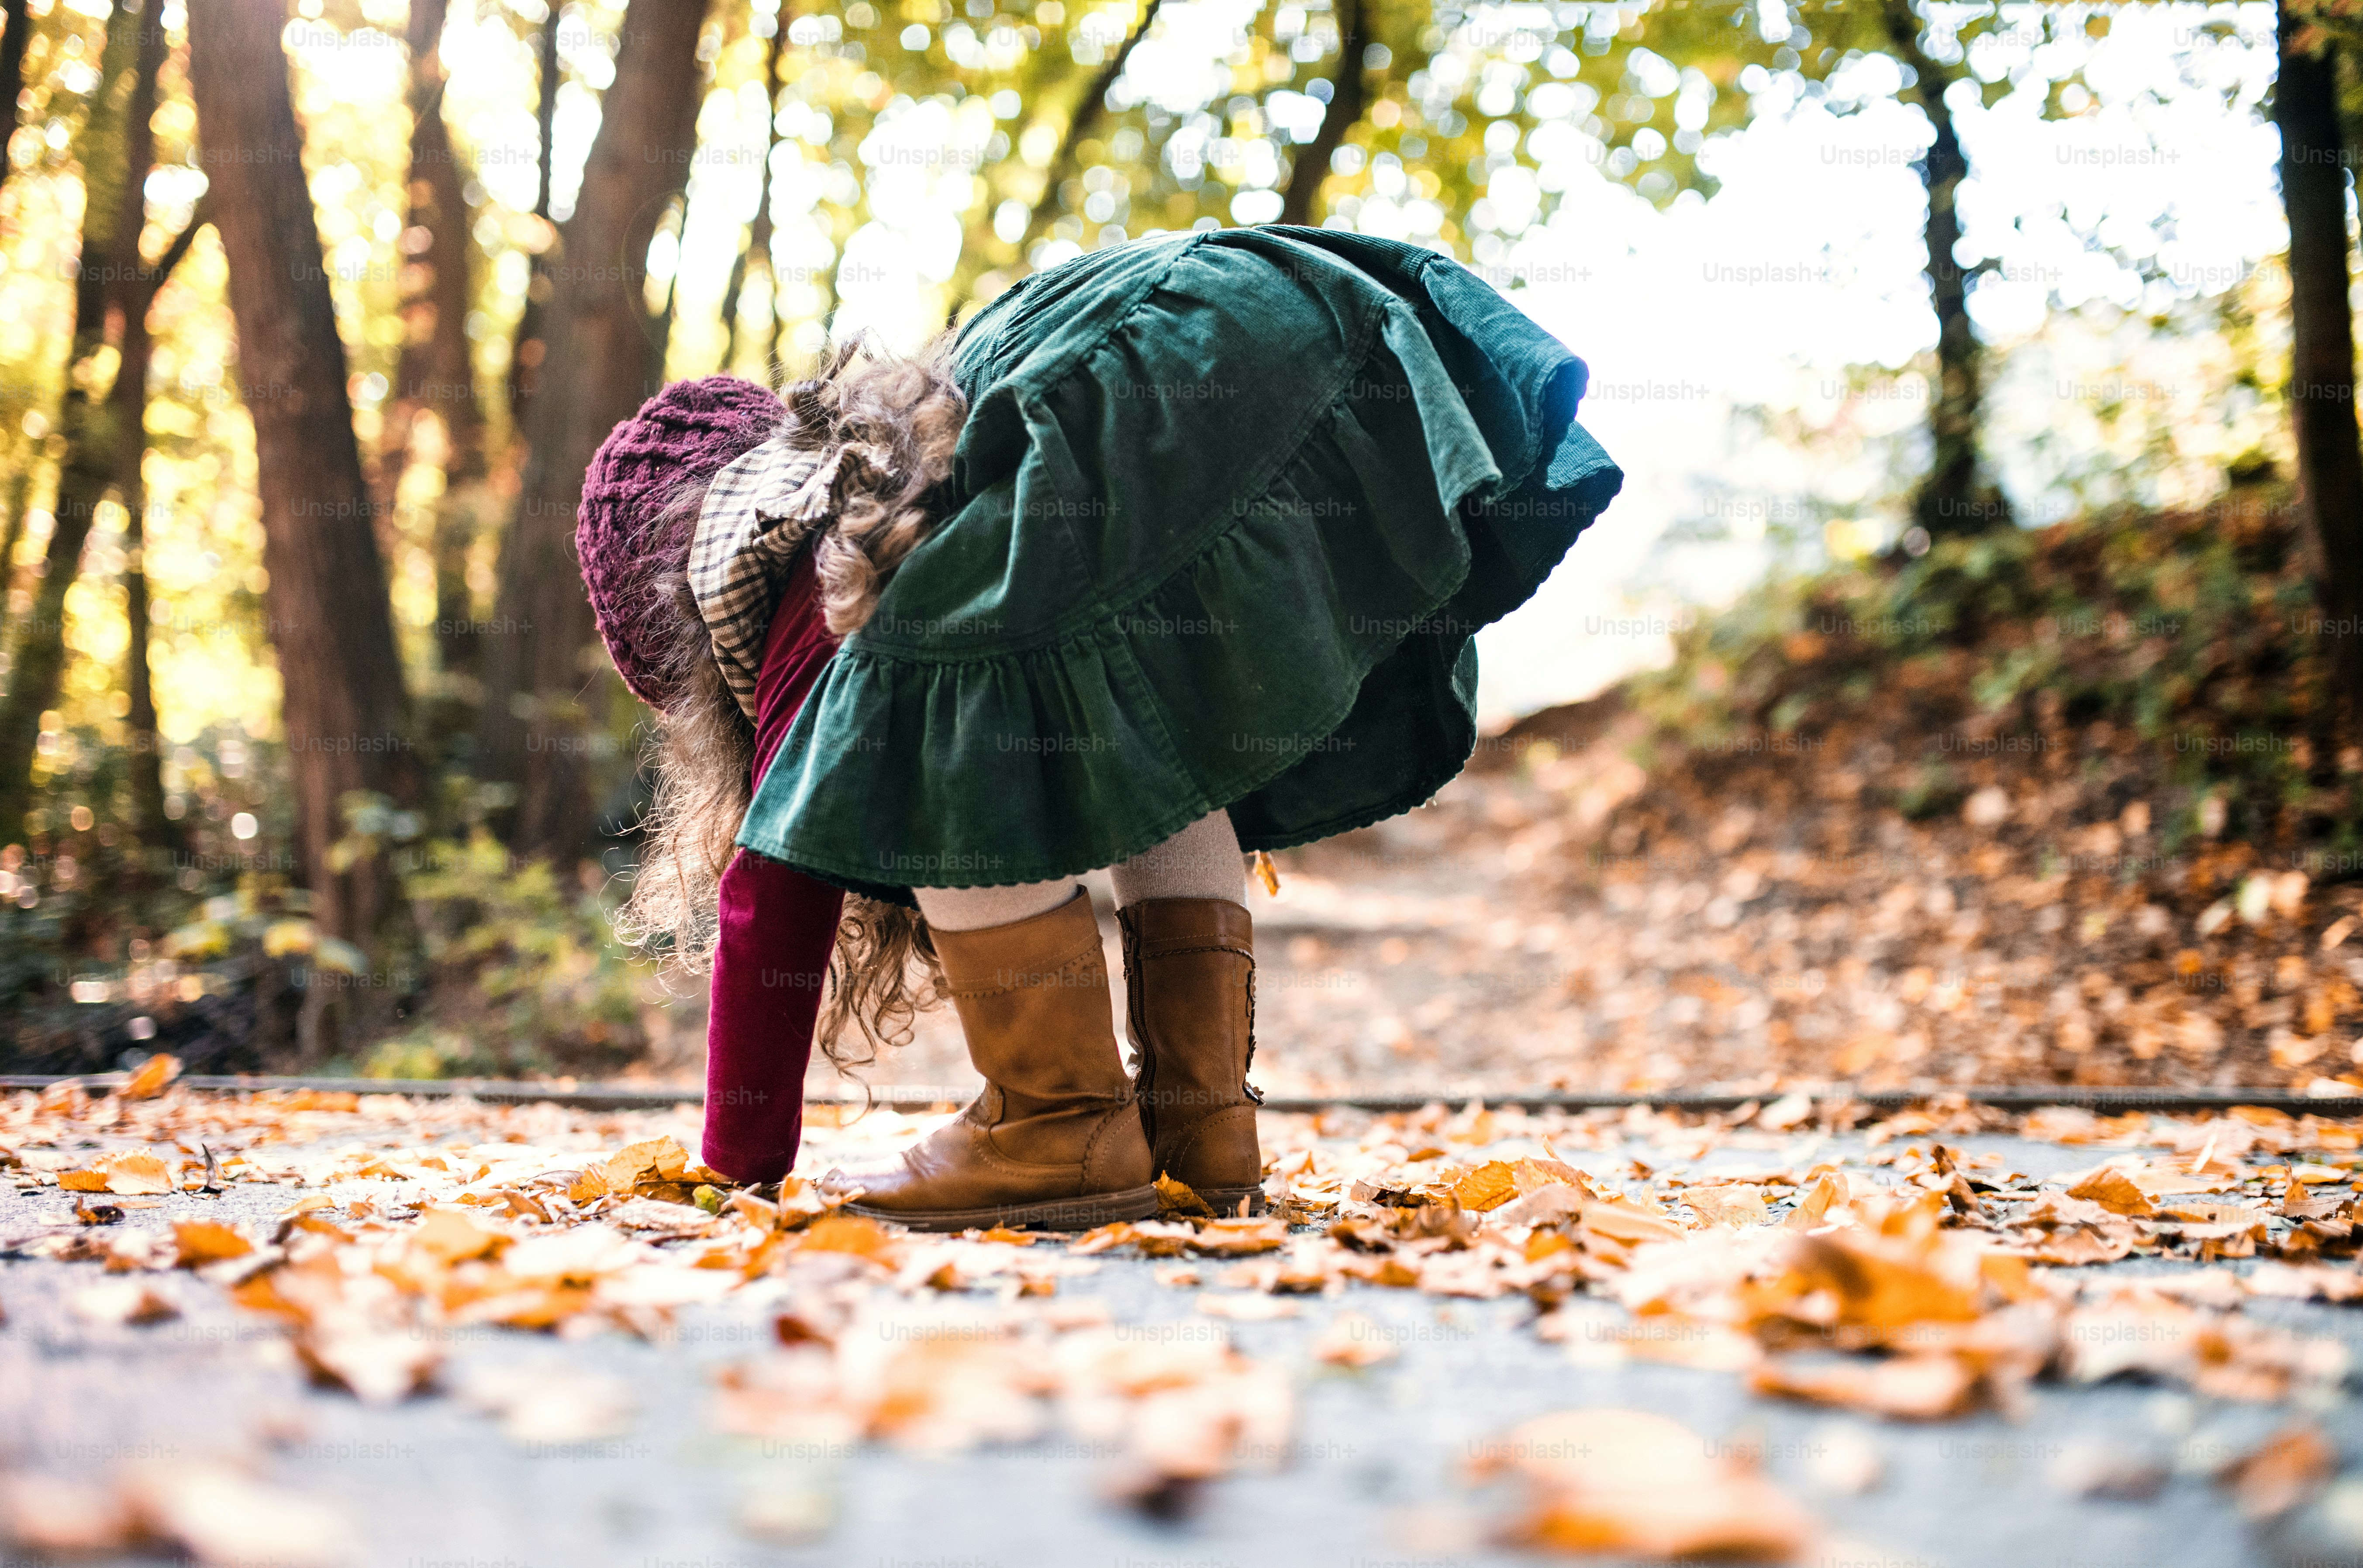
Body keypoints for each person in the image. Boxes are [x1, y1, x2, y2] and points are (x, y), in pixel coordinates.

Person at [573, 225, 1622, 1232]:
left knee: (924, 715)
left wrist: (734, 1164)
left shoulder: (794, 565)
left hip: (1162, 349)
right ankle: (1203, 1123)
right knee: (1139, 728)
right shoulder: (897, 458)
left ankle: (1056, 1124)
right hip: (1256, 312)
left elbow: (773, 888)